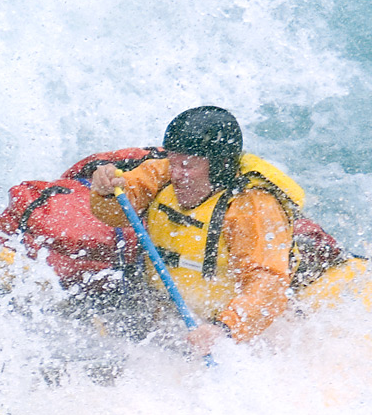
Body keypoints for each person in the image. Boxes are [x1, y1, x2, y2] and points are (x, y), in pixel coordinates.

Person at [87, 106, 316, 354]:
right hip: (168, 310)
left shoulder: (252, 206)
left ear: (221, 164)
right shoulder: (164, 172)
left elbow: (266, 286)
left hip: (239, 326)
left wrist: (223, 330)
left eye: (187, 166)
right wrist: (105, 190)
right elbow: (116, 213)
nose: (176, 174)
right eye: (172, 162)